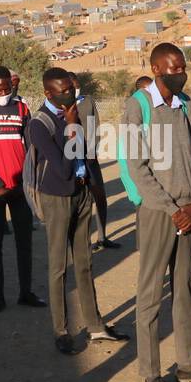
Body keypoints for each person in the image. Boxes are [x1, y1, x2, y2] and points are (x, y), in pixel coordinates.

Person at [122, 43, 191, 382]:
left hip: (189, 211)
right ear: (156, 68)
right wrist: (172, 209)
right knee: (151, 293)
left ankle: (187, 361)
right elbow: (137, 167)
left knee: (183, 288)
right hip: (158, 213)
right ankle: (151, 373)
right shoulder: (138, 106)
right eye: (174, 67)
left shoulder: (186, 106)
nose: (180, 72)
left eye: (183, 66)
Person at [29, 69, 129, 354]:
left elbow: (86, 154)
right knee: (59, 266)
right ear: (48, 93)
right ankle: (61, 329)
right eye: (62, 91)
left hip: (82, 191)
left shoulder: (72, 112)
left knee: (84, 262)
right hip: (58, 195)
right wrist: (72, 126)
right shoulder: (41, 123)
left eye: (71, 89)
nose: (70, 95)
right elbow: (61, 169)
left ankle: (95, 325)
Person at [0, 66, 46, 312]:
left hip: (19, 186)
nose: (3, 92)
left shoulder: (22, 108)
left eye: (7, 88)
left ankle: (26, 292)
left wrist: (30, 178)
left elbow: (30, 143)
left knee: (25, 242)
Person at [68, 72, 119, 251]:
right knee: (81, 201)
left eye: (77, 86)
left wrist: (93, 149)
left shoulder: (88, 101)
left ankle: (102, 236)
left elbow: (96, 126)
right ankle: (82, 241)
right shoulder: (63, 106)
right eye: (72, 86)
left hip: (90, 156)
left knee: (100, 196)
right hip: (73, 157)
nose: (76, 89)